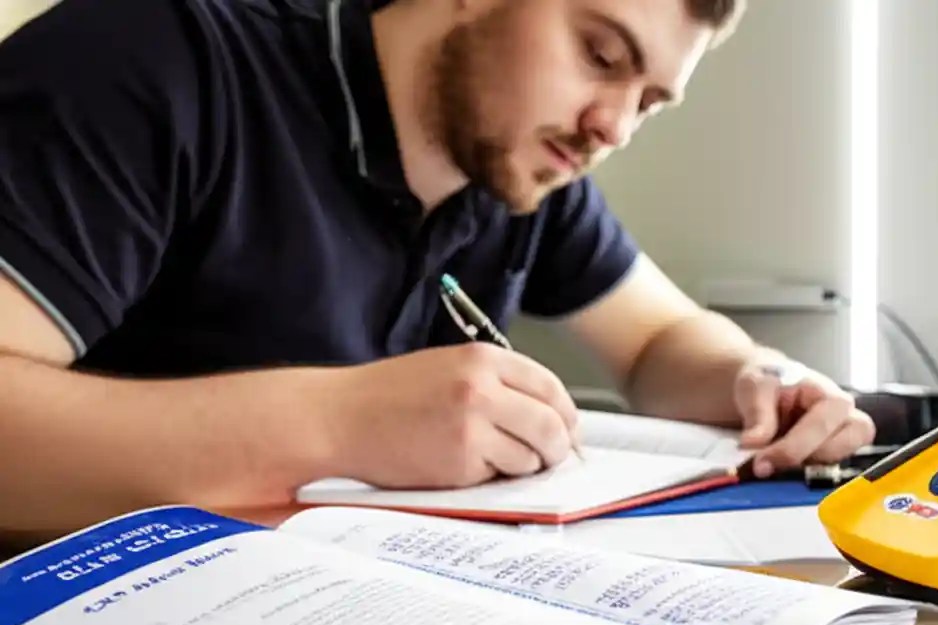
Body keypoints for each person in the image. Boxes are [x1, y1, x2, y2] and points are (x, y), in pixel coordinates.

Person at [0, 0, 875, 539]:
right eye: (602, 56)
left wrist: (758, 378)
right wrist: (337, 423)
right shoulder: (149, 62)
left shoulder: (519, 173)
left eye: (648, 101)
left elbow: (658, 340)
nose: (612, 126)